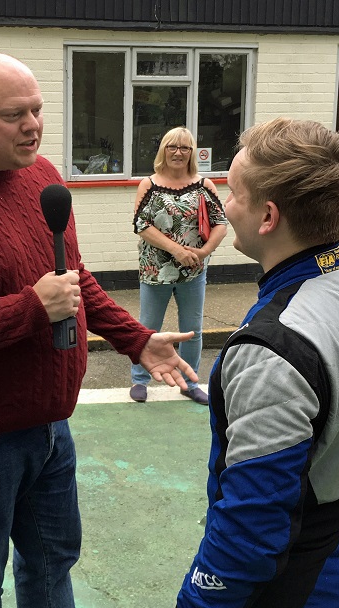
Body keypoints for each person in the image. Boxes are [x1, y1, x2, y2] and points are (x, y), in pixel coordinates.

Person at [0, 52, 197, 608]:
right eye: (13, 115)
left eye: (37, 110)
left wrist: (135, 339)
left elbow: (73, 283)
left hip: (50, 425)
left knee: (51, 565)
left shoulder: (45, 178)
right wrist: (28, 308)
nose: (32, 125)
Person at [174, 118, 339, 608]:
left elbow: (253, 525)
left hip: (292, 597)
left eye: (233, 192)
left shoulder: (274, 347)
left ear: (268, 217)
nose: (222, 204)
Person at [129, 127, 228, 405]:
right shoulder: (149, 185)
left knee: (192, 330)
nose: (178, 152)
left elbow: (221, 223)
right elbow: (141, 225)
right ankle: (139, 380)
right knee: (148, 327)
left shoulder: (204, 186)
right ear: (163, 149)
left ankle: (190, 382)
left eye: (185, 148)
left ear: (192, 152)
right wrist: (176, 250)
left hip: (193, 272)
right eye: (173, 146)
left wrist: (204, 251)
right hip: (154, 271)